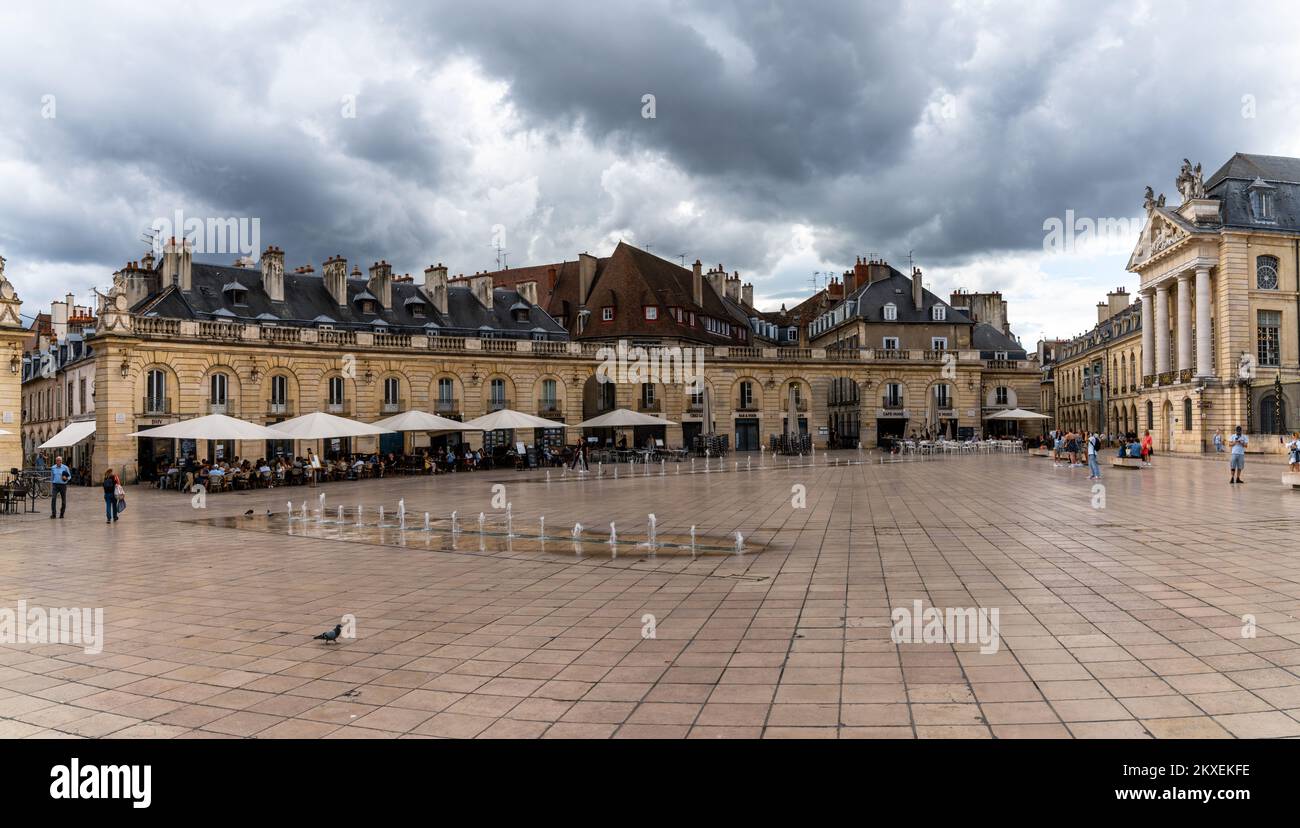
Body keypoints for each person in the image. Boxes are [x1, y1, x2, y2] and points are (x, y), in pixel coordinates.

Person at [49, 454, 71, 519]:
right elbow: (52, 477)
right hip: (55, 485)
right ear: (56, 461)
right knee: (53, 499)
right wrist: (52, 483)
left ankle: (62, 514)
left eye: (60, 461)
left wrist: (66, 478)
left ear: (61, 461)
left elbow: (69, 476)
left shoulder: (65, 468)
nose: (59, 462)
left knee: (63, 500)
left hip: (63, 485)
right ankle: (53, 514)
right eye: (58, 460)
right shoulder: (53, 467)